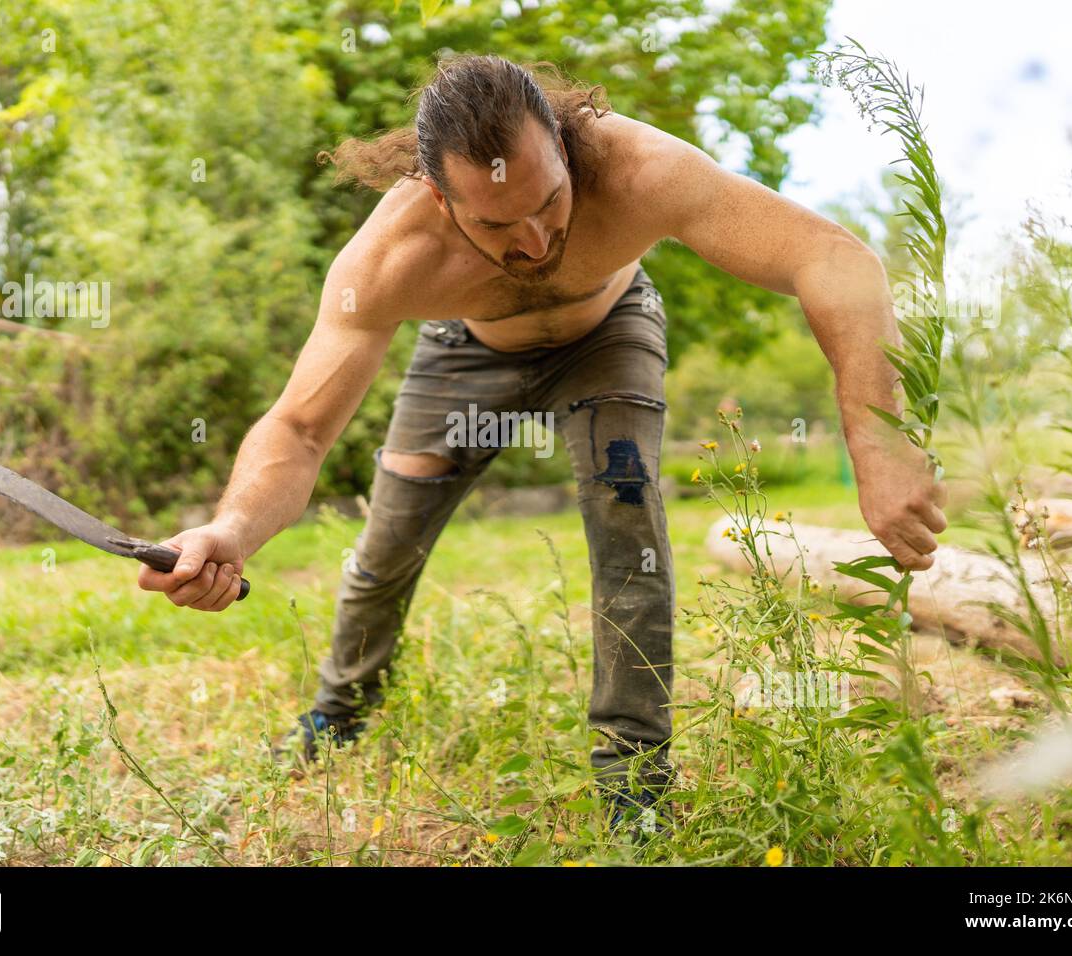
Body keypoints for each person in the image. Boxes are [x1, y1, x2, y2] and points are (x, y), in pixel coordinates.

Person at [137, 54, 948, 832]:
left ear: (565, 149)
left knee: (626, 518)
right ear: (438, 197)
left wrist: (881, 439)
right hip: (463, 352)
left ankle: (634, 779)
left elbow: (833, 258)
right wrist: (233, 530)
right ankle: (339, 711)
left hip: (609, 332)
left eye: (550, 202)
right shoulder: (390, 260)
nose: (533, 242)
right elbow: (301, 428)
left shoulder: (641, 169)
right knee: (387, 542)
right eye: (496, 224)